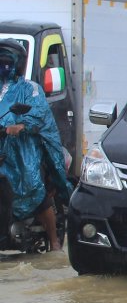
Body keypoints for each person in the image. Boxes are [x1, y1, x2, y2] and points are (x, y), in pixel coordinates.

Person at [0, 39, 69, 252]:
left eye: (7, 61)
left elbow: (38, 112)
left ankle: (55, 242)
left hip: (23, 150)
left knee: (32, 185)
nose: (4, 66)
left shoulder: (30, 88)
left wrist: (21, 125)